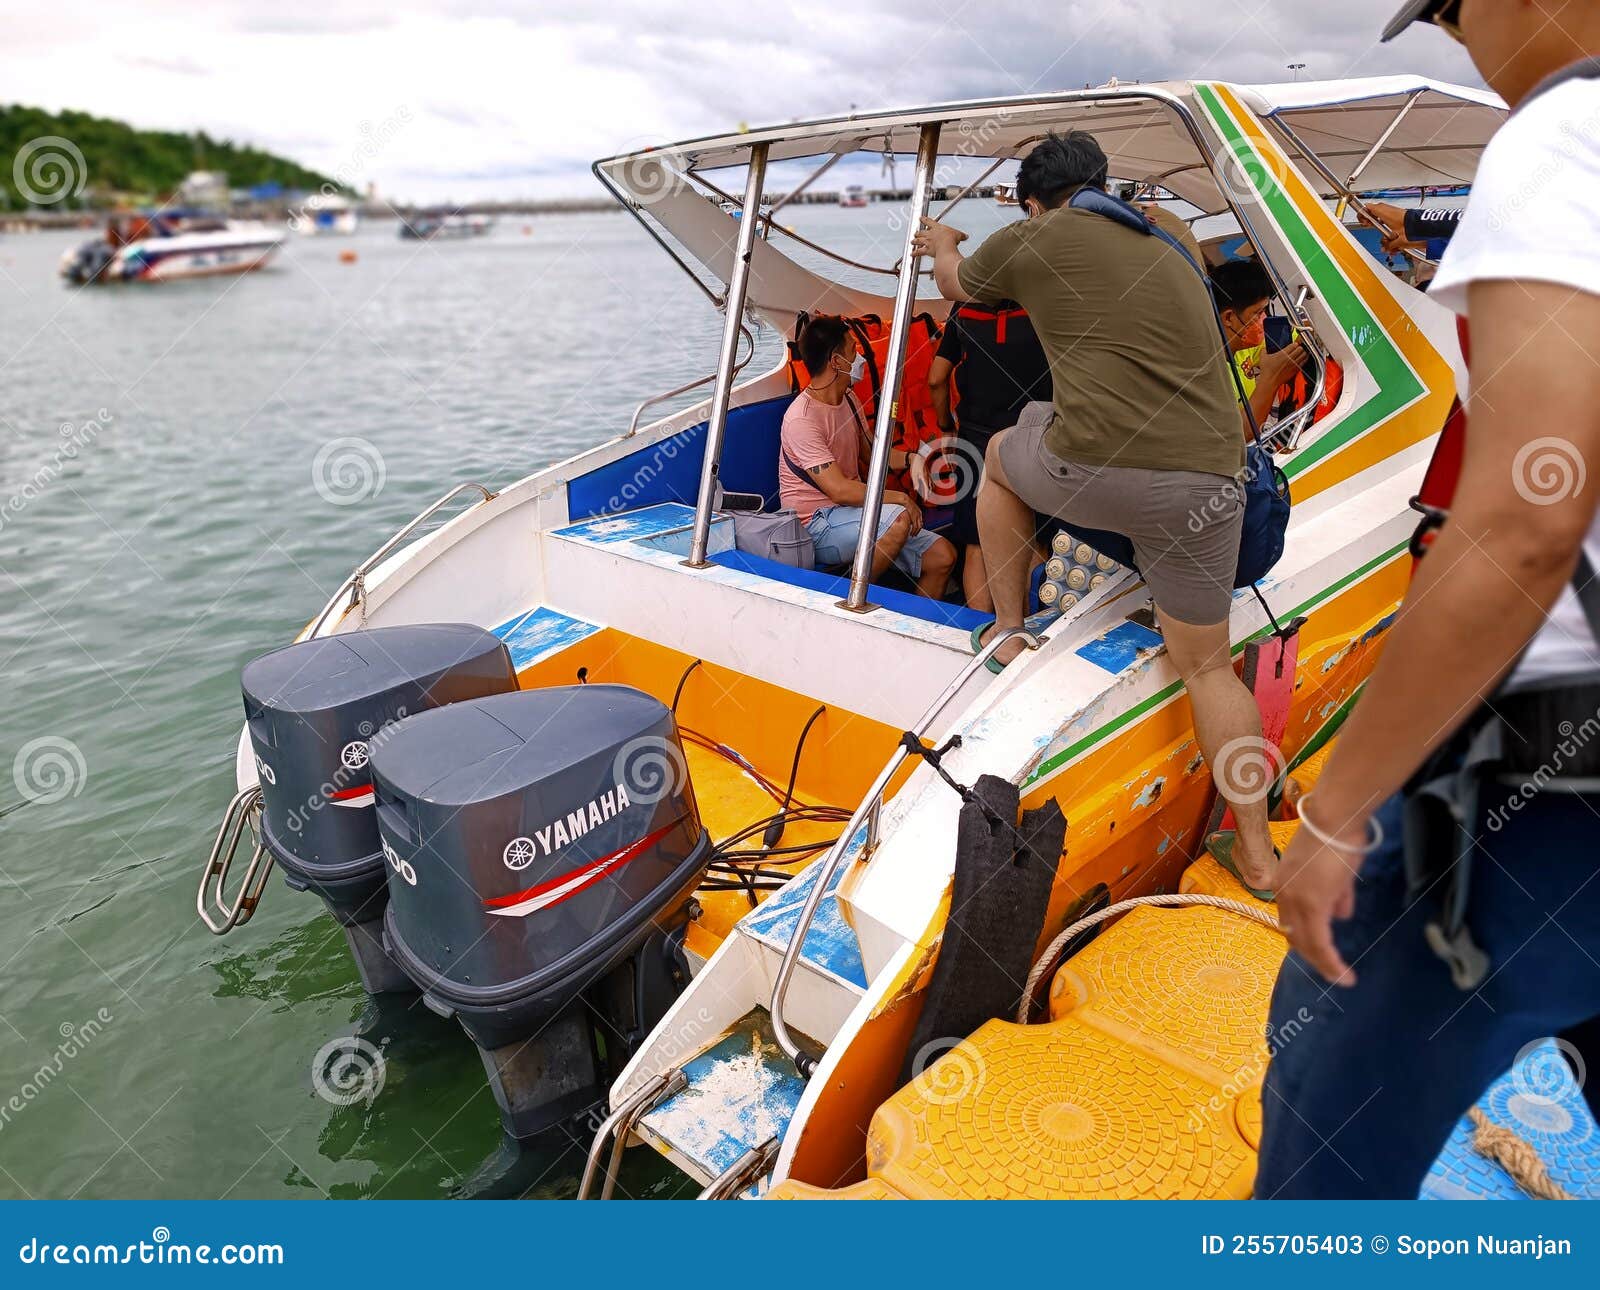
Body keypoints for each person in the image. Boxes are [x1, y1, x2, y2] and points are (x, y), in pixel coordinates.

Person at [1256, 0, 1600, 1199]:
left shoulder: (1563, 136)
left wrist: (1339, 809)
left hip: (1542, 795)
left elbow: (1521, 521)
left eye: (1456, 17)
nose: (1469, 49)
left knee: (1326, 1146)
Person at [911, 130, 1278, 896]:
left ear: (1035, 201)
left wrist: (943, 240)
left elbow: (955, 285)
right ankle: (1257, 852)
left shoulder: (1032, 236)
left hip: (1104, 478)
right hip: (1208, 484)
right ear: (1105, 183)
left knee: (1006, 450)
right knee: (1209, 668)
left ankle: (1009, 631)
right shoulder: (1171, 234)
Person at [778, 315, 956, 598]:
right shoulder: (802, 419)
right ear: (836, 362)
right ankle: (852, 603)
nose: (859, 357)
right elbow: (839, 490)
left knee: (942, 557)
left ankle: (907, 627)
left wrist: (913, 459)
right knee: (898, 520)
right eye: (852, 350)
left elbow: (875, 456)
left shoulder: (848, 399)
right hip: (816, 523)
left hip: (851, 514)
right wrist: (901, 498)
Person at [927, 299, 1052, 611]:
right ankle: (1026, 627)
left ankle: (978, 628)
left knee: (977, 544)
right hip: (1032, 436)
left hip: (975, 438)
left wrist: (946, 426)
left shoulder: (966, 305)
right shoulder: (1038, 299)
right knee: (1033, 540)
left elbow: (936, 378)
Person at [1208, 259, 1309, 432]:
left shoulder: (1241, 349)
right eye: (1258, 313)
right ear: (1228, 318)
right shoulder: (1210, 374)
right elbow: (1239, 435)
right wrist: (1271, 378)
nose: (1264, 320)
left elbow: (1302, 334)